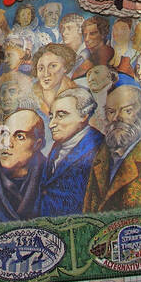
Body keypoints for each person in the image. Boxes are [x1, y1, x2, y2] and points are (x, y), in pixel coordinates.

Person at [0, 108, 46, 224]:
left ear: (37, 144)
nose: (7, 143)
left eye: (20, 136)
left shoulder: (50, 174)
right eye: (5, 134)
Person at [38, 87, 103, 216]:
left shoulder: (99, 147)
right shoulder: (57, 146)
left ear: (84, 116)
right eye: (51, 117)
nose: (51, 124)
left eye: (61, 116)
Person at [32, 42, 77, 114]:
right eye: (41, 68)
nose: (46, 74)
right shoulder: (29, 98)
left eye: (53, 66)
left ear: (65, 67)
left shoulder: (76, 98)